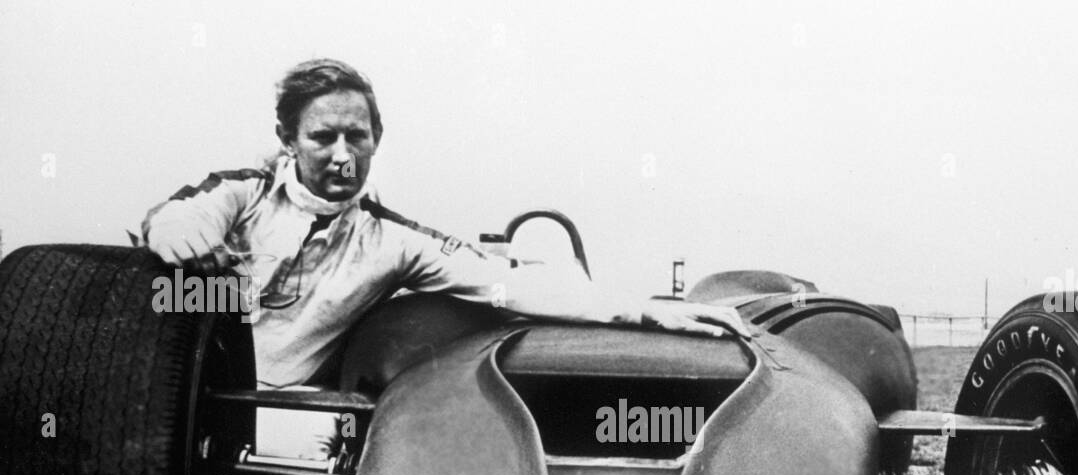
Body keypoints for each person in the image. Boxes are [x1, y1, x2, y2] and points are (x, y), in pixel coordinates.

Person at [142, 58, 747, 404]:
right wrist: (183, 239)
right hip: (163, 399)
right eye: (323, 137)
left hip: (282, 416)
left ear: (377, 137)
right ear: (288, 140)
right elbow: (173, 218)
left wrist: (648, 312)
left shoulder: (395, 241)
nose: (342, 155)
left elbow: (510, 286)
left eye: (358, 135)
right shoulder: (240, 191)